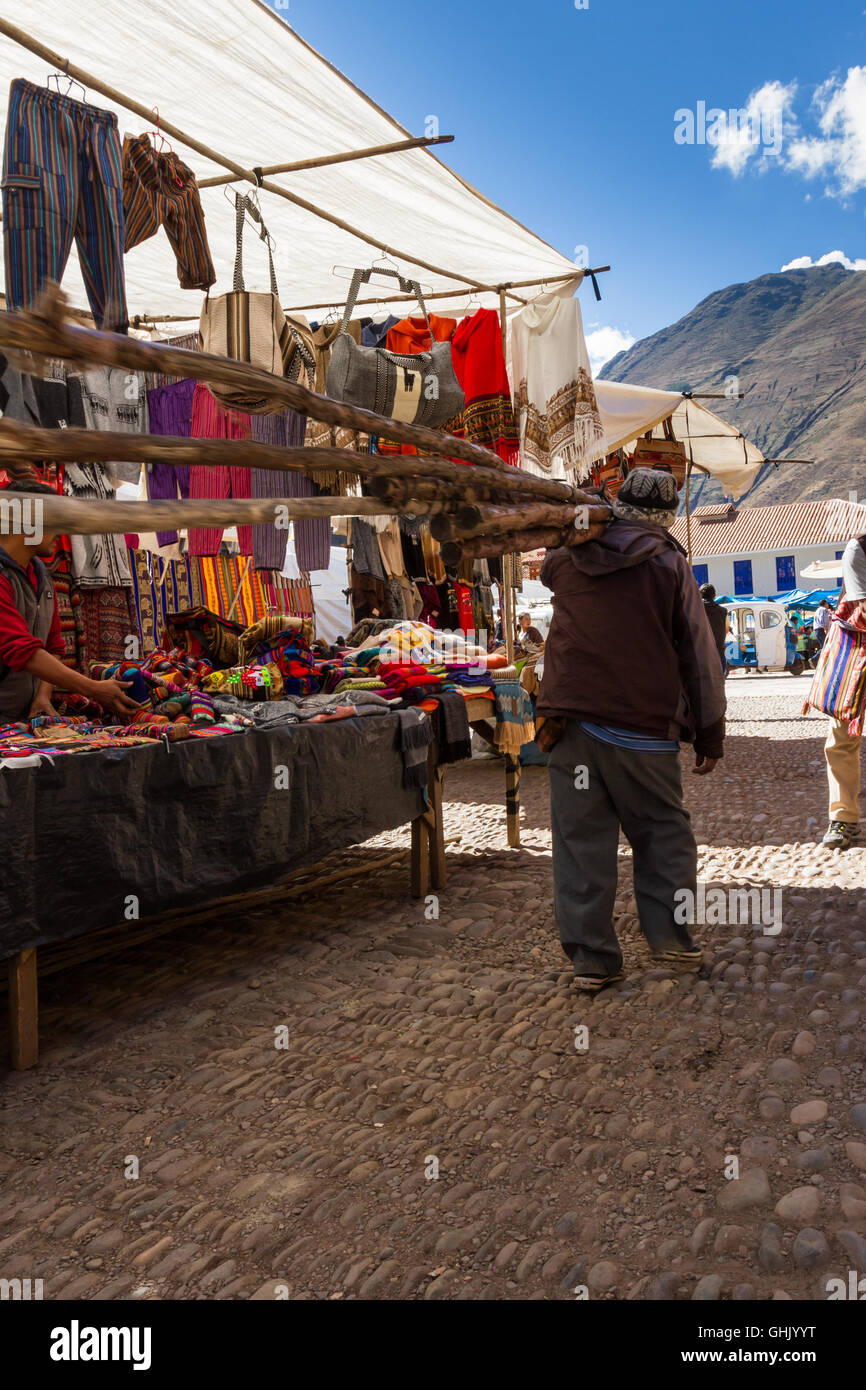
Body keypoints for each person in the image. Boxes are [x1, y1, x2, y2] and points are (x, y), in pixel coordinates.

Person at [538, 468, 726, 993]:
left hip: (569, 721)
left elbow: (549, 565)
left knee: (581, 841)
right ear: (667, 517)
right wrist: (710, 734)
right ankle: (670, 941)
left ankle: (592, 960)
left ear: (618, 504)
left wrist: (592, 511)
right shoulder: (669, 565)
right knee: (662, 833)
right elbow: (699, 655)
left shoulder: (570, 557)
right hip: (641, 727)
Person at [0, 480, 140, 721]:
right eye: (54, 521)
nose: (60, 533)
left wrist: (43, 695)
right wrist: (93, 688)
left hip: (18, 721)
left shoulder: (43, 577)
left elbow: (53, 647)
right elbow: (21, 649)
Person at [822, 540, 866, 850]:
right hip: (855, 651)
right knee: (841, 739)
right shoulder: (859, 548)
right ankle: (844, 818)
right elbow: (862, 607)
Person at [700, 582, 727, 673]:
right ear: (714, 596)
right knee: (719, 684)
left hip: (701, 655)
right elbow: (726, 629)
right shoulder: (723, 611)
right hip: (719, 653)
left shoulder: (695, 609)